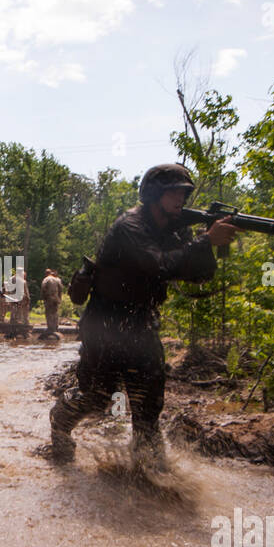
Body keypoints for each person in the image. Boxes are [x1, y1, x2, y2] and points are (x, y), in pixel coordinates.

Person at [45, 163, 239, 464]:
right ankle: (60, 421)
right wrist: (205, 241)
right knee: (98, 396)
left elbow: (199, 275)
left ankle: (149, 471)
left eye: (184, 193)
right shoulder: (130, 226)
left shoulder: (174, 230)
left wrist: (209, 244)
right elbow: (158, 264)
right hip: (106, 323)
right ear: (153, 194)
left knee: (148, 402)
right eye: (173, 192)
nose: (181, 199)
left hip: (141, 322)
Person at [40, 267, 63, 337]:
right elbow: (61, 288)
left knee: (48, 313)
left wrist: (43, 297)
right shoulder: (56, 279)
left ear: (46, 274)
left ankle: (50, 328)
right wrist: (59, 297)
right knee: (55, 312)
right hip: (56, 298)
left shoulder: (46, 279)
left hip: (49, 298)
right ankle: (55, 327)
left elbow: (43, 288)